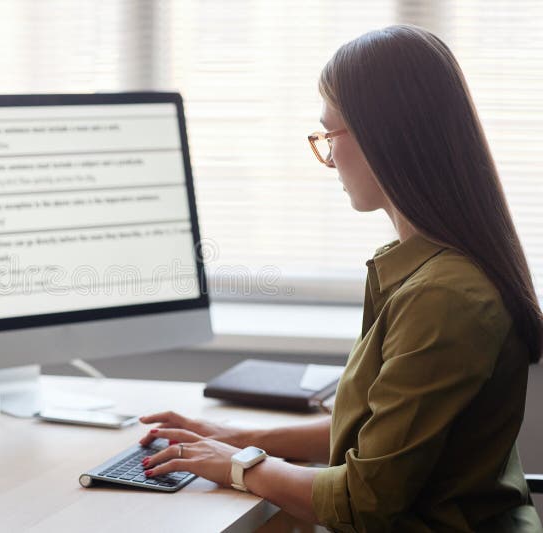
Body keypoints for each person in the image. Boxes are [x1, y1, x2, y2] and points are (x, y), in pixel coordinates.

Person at [138, 25, 543, 532]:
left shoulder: (442, 297)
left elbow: (362, 500)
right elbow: (376, 434)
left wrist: (241, 468)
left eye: (331, 135)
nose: (329, 159)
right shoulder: (425, 270)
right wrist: (234, 436)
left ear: (384, 136)